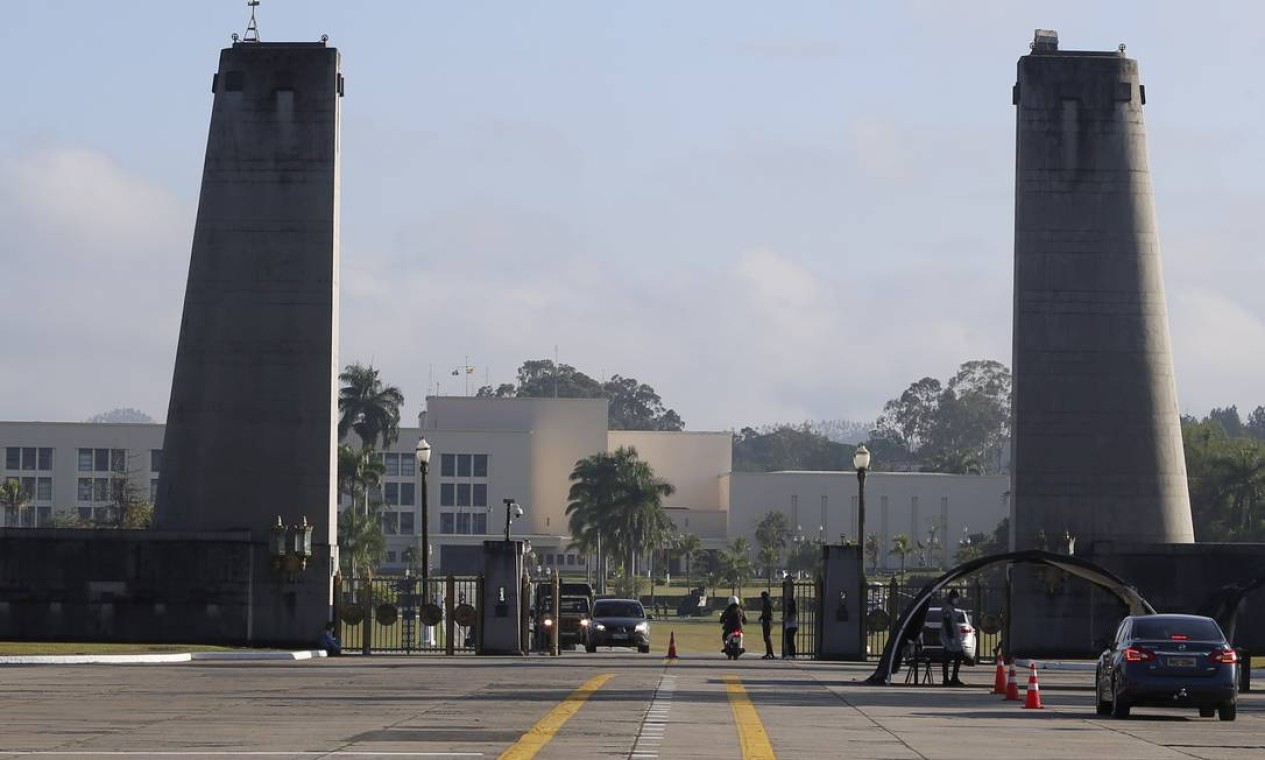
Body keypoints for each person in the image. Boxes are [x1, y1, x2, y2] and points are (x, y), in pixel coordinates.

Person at [940, 590, 966, 686]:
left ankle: (952, 678)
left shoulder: (951, 608)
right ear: (953, 598)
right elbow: (947, 624)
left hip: (952, 636)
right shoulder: (948, 608)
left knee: (955, 656)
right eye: (957, 598)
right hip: (949, 636)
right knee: (952, 657)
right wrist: (951, 637)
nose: (957, 600)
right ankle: (948, 679)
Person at [759, 591, 775, 659]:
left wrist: (763, 617)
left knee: (767, 638)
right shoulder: (767, 602)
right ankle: (768, 653)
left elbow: (767, 613)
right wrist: (761, 617)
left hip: (767, 621)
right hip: (767, 621)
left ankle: (770, 653)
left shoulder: (767, 603)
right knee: (766, 638)